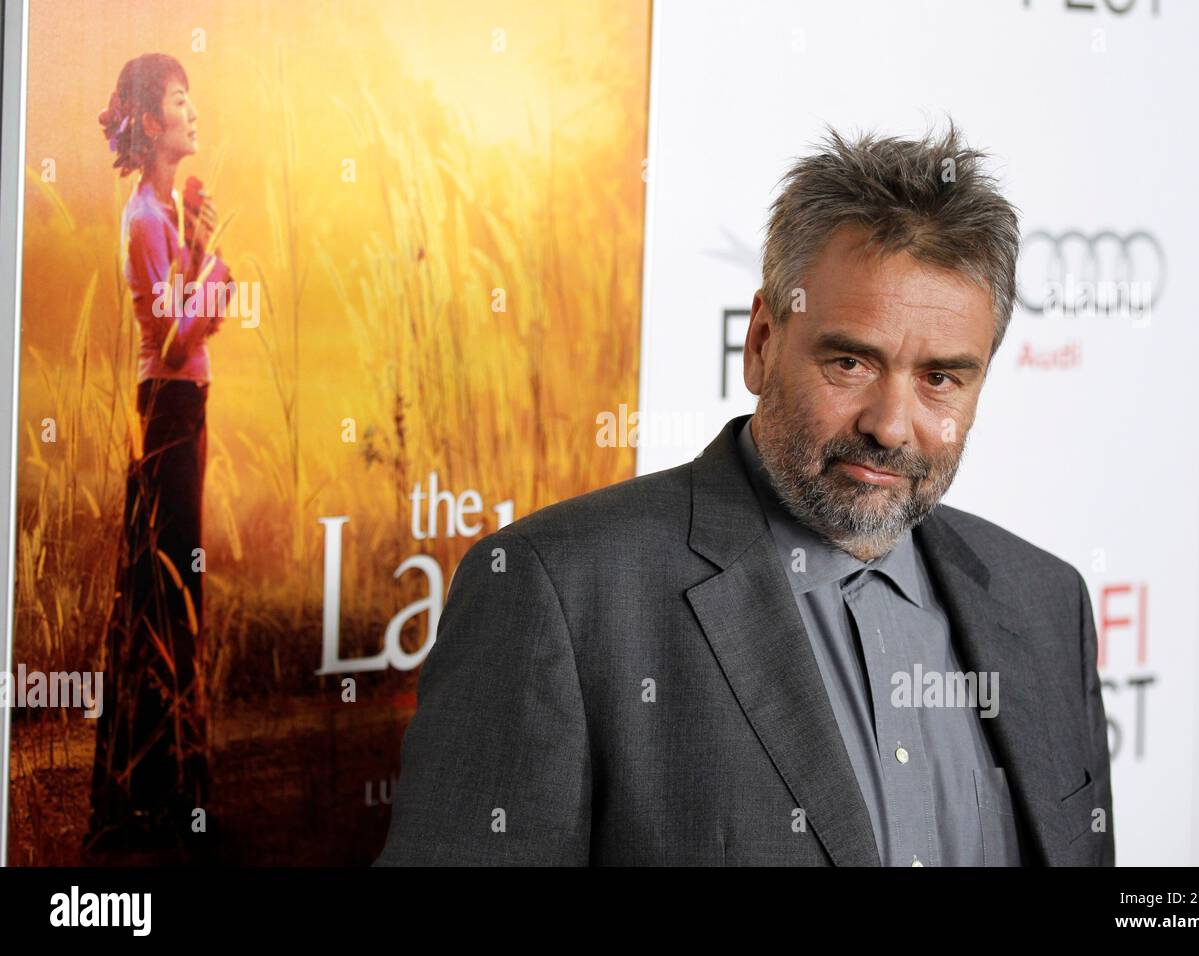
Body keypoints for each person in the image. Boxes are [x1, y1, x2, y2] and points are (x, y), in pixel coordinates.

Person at [376, 122, 1115, 866]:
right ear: (761, 342)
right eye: (851, 362)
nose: (891, 427)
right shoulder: (558, 594)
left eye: (940, 378)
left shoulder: (1047, 604)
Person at [86, 53, 230, 854]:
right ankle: (154, 791)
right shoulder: (143, 217)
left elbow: (191, 316)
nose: (193, 112)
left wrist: (206, 258)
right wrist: (213, 280)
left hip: (188, 408)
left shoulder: (168, 211)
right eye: (181, 101)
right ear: (150, 123)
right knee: (168, 591)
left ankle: (169, 782)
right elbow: (174, 341)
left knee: (176, 589)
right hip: (169, 409)